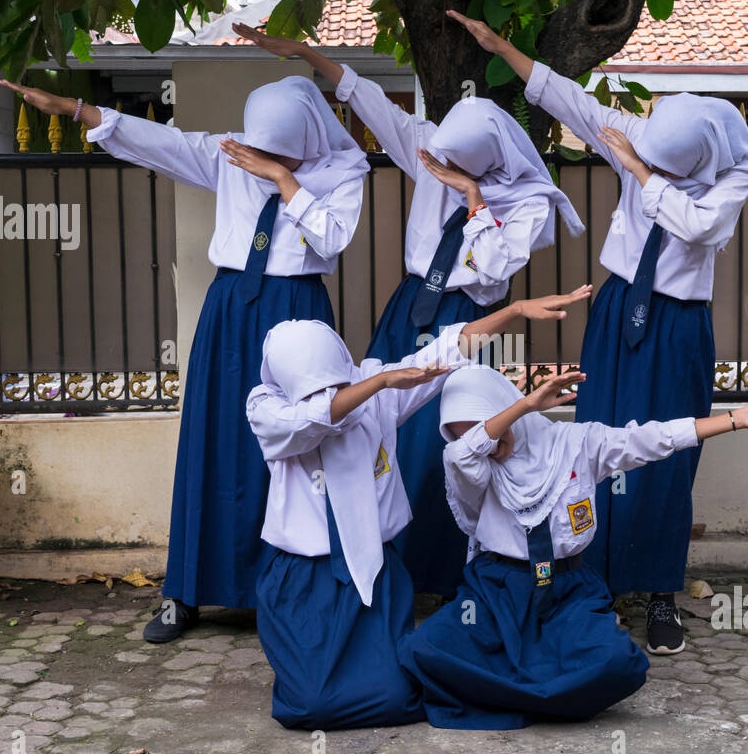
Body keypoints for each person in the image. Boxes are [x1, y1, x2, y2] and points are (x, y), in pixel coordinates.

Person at [0, 75, 369, 643]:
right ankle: (187, 592)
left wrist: (284, 180)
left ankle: (293, 589)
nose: (261, 156)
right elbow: (158, 143)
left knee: (304, 447)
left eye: (277, 150)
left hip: (299, 312)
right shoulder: (230, 154)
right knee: (213, 445)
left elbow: (332, 239)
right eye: (259, 147)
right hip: (231, 313)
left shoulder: (344, 172)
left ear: (306, 136)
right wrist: (75, 109)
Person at [448, 10, 748, 655]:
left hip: (676, 322)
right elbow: (568, 96)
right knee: (596, 439)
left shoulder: (731, 177)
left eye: (666, 167)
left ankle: (658, 594)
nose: (646, 165)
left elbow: (699, 229)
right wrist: (502, 44)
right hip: (617, 306)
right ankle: (590, 580)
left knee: (667, 454)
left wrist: (643, 175)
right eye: (646, 159)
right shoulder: (638, 136)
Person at [231, 21, 584, 600]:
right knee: (387, 437)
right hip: (409, 308)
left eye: (457, 166)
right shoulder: (430, 152)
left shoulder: (529, 203)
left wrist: (473, 199)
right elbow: (368, 100)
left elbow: (494, 268)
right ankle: (391, 566)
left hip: (471, 320)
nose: (439, 168)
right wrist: (308, 53)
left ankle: (450, 577)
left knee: (451, 443)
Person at [246, 286, 593, 730]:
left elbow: (450, 347)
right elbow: (314, 419)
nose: (326, 394)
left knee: (397, 699)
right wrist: (379, 383)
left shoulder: (376, 388)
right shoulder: (267, 407)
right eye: (314, 389)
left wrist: (516, 310)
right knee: (311, 707)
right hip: (302, 579)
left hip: (374, 571)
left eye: (333, 383)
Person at [399, 365, 748, 730]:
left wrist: (734, 419)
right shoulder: (467, 464)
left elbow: (649, 439)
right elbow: (465, 452)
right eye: (462, 431)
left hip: (567, 588)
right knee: (424, 649)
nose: (481, 441)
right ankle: (542, 695)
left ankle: (505, 692)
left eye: (482, 425)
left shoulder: (575, 443)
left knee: (615, 663)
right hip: (495, 589)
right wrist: (520, 408)